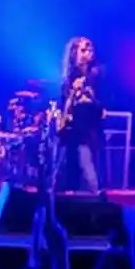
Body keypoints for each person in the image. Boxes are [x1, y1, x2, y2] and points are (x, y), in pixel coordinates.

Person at [56, 37, 103, 194]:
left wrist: (90, 96)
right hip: (72, 130)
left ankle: (94, 195)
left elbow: (101, 107)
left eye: (90, 50)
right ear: (74, 53)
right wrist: (74, 93)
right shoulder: (68, 79)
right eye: (83, 50)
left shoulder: (95, 77)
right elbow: (64, 107)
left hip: (90, 129)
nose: (88, 53)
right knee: (70, 166)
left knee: (87, 164)